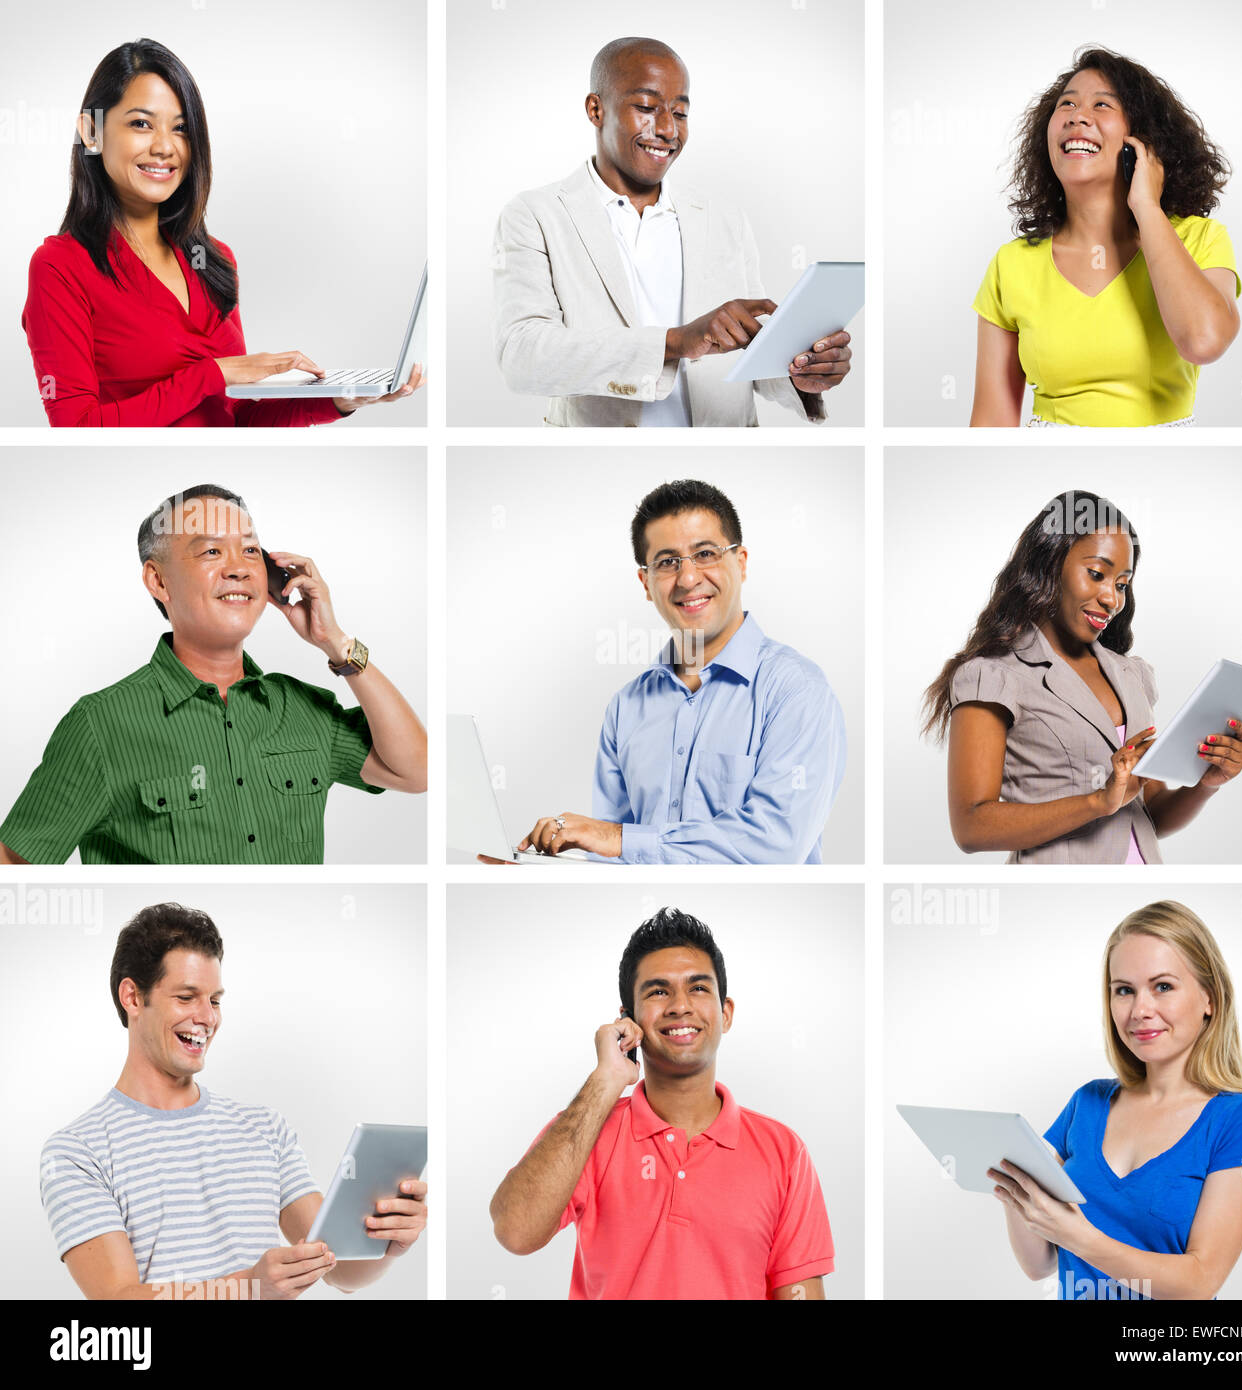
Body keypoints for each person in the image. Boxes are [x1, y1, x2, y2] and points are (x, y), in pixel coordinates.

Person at [0, 484, 426, 864]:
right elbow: (15, 863)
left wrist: (337, 644)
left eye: (251, 550)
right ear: (159, 581)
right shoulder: (100, 724)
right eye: (210, 552)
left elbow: (416, 771)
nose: (238, 567)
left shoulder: (305, 709)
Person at [23, 39, 425, 426]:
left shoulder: (214, 260)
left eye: (181, 129)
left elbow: (237, 419)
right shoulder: (60, 267)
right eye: (142, 124)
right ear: (91, 132)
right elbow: (77, 428)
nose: (165, 147)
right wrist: (213, 373)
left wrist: (338, 400)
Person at [40, 903, 427, 1299]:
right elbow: (116, 1297)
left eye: (216, 1000)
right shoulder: (77, 1152)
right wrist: (246, 1288)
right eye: (187, 997)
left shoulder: (264, 1128)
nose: (207, 1017)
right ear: (133, 997)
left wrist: (387, 1245)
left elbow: (337, 1269)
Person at [492, 36, 852, 426]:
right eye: (647, 108)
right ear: (596, 109)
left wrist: (802, 371)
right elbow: (521, 356)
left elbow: (751, 358)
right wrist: (675, 341)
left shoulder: (726, 219)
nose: (666, 129)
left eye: (680, 113)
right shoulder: (534, 214)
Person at [489, 907, 834, 1299]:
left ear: (726, 1013)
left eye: (698, 988)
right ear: (628, 1019)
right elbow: (514, 1231)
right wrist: (606, 1080)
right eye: (658, 991)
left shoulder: (784, 1151)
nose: (679, 1006)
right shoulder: (586, 1130)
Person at [508, 479, 846, 863]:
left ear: (741, 562)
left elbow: (775, 844)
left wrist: (619, 838)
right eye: (667, 562)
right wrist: (537, 868)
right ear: (646, 583)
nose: (688, 578)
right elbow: (612, 859)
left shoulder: (796, 690)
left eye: (705, 553)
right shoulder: (627, 706)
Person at [923, 490, 1242, 864]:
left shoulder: (1131, 675)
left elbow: (1150, 813)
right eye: (1097, 574)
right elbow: (971, 827)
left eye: (1121, 584)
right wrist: (1098, 801)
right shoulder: (993, 675)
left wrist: (1205, 785)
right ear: (1048, 565)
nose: (1111, 598)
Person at [990, 901, 1242, 1300]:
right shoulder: (1087, 1102)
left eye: (1163, 986)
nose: (1140, 1010)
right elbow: (1039, 1263)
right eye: (1124, 990)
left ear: (1209, 999)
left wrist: (1081, 1237)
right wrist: (1014, 1187)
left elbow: (1200, 1281)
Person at [970, 47, 1239, 427]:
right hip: (1051, 467)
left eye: (1102, 105)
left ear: (1141, 141)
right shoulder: (1011, 264)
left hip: (1164, 465)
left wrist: (1147, 205)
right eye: (1066, 104)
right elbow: (991, 424)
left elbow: (1204, 341)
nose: (1078, 116)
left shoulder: (1199, 239)